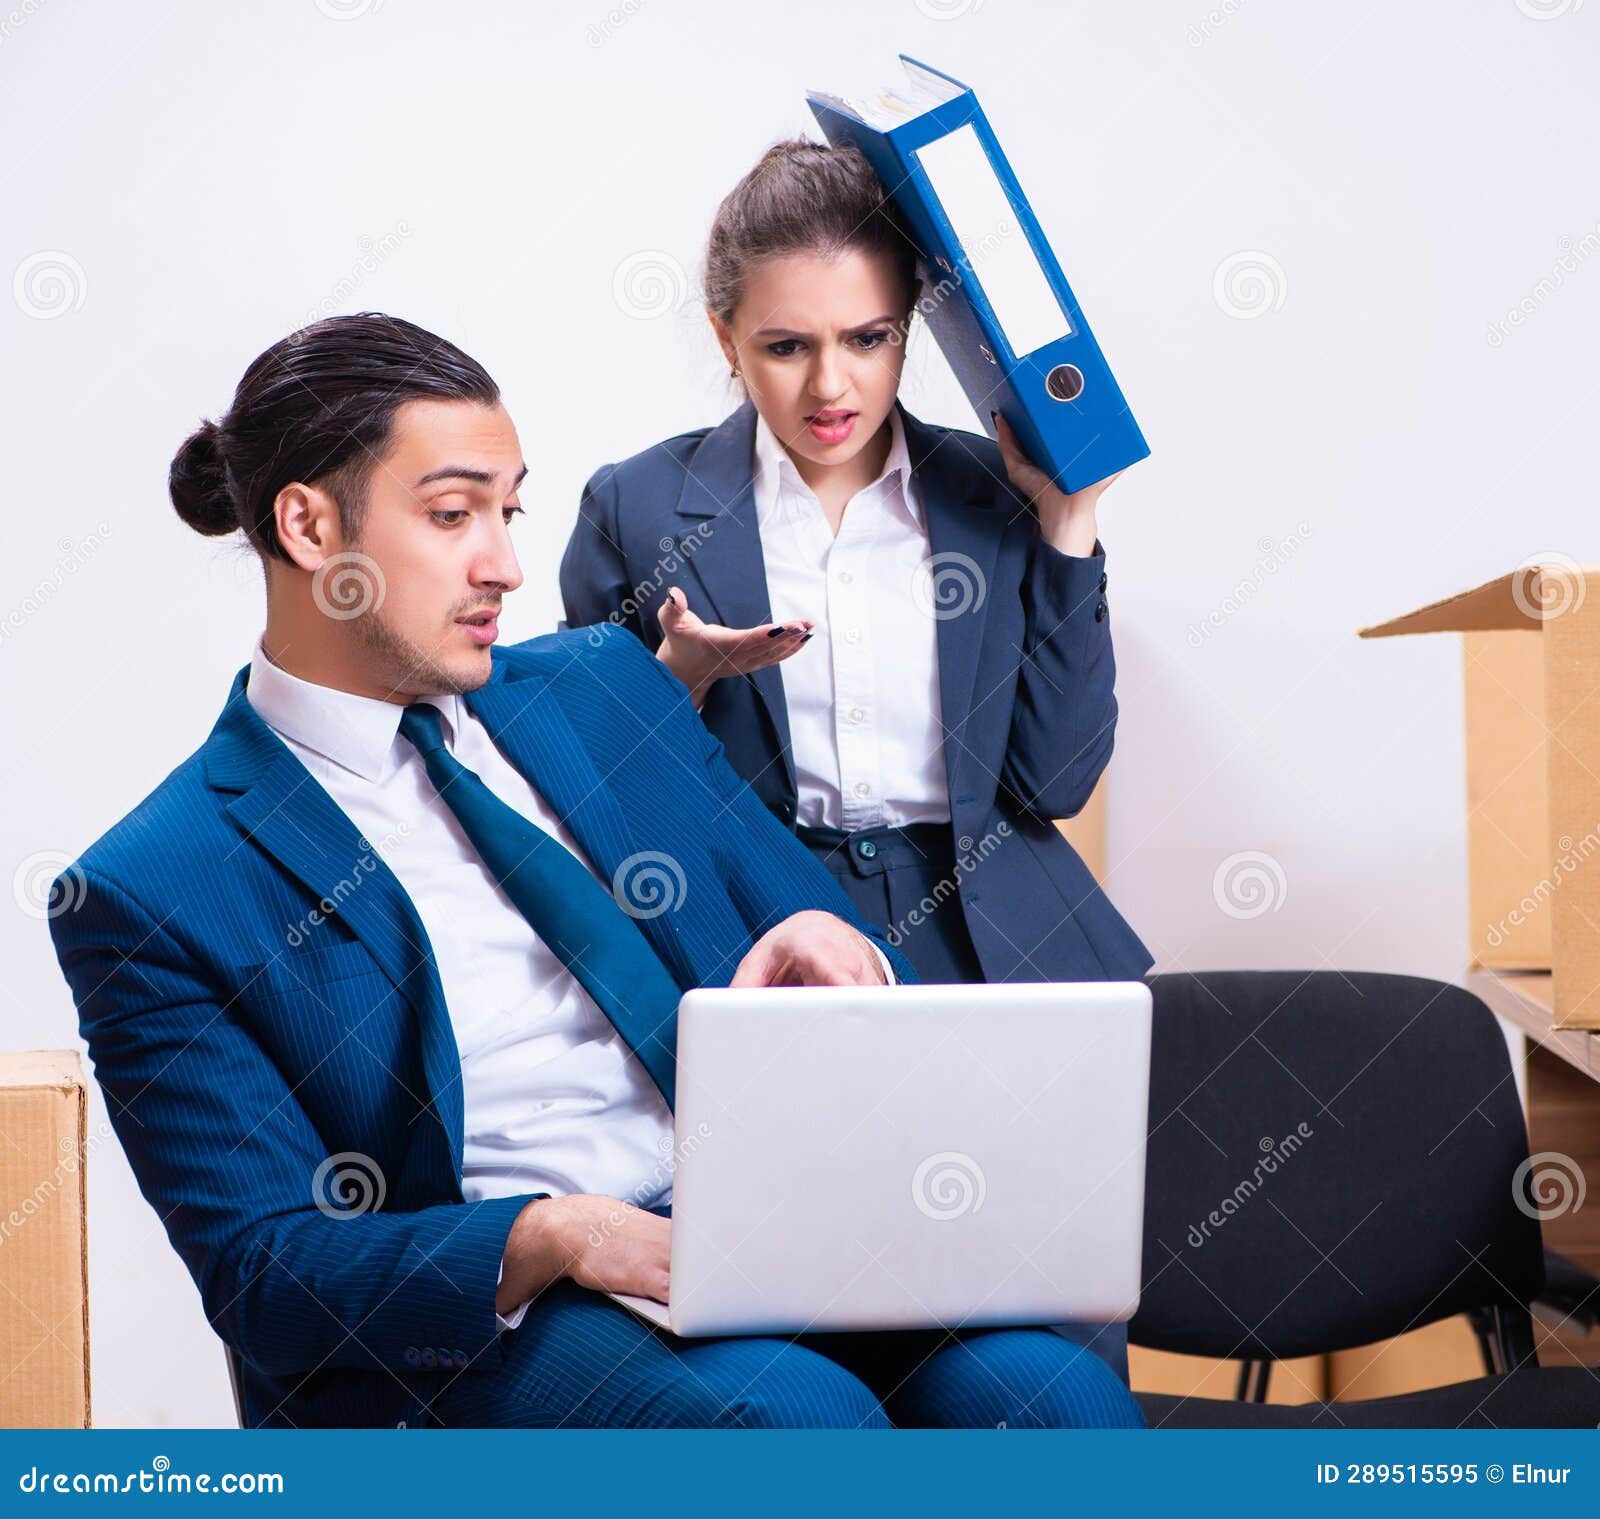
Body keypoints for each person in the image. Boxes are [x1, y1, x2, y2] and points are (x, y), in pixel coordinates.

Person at [47, 313, 1144, 1430]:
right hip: (515, 1311)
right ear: (308, 526)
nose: (507, 567)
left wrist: (826, 951)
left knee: (1051, 1400)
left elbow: (811, 924)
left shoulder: (601, 688)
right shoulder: (156, 884)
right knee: (796, 1423)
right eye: (451, 514)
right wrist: (553, 1233)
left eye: (508, 511)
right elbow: (263, 1273)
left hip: (760, 1221)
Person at [561, 141, 1154, 1380]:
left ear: (909, 333)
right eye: (786, 346)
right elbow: (588, 797)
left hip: (978, 934)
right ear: (726, 338)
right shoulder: (634, 505)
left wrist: (1069, 525)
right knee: (792, 1322)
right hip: (763, 931)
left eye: (868, 338)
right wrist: (674, 687)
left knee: (1031, 1346)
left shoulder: (990, 495)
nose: (832, 382)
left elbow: (1055, 776)